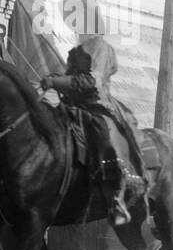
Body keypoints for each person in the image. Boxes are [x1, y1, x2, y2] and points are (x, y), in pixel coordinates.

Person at [42, 36, 147, 225]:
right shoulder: (76, 49)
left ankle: (117, 194)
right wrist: (56, 79)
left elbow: (91, 81)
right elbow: (72, 77)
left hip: (97, 105)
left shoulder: (100, 47)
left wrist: (57, 83)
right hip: (72, 105)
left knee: (103, 137)